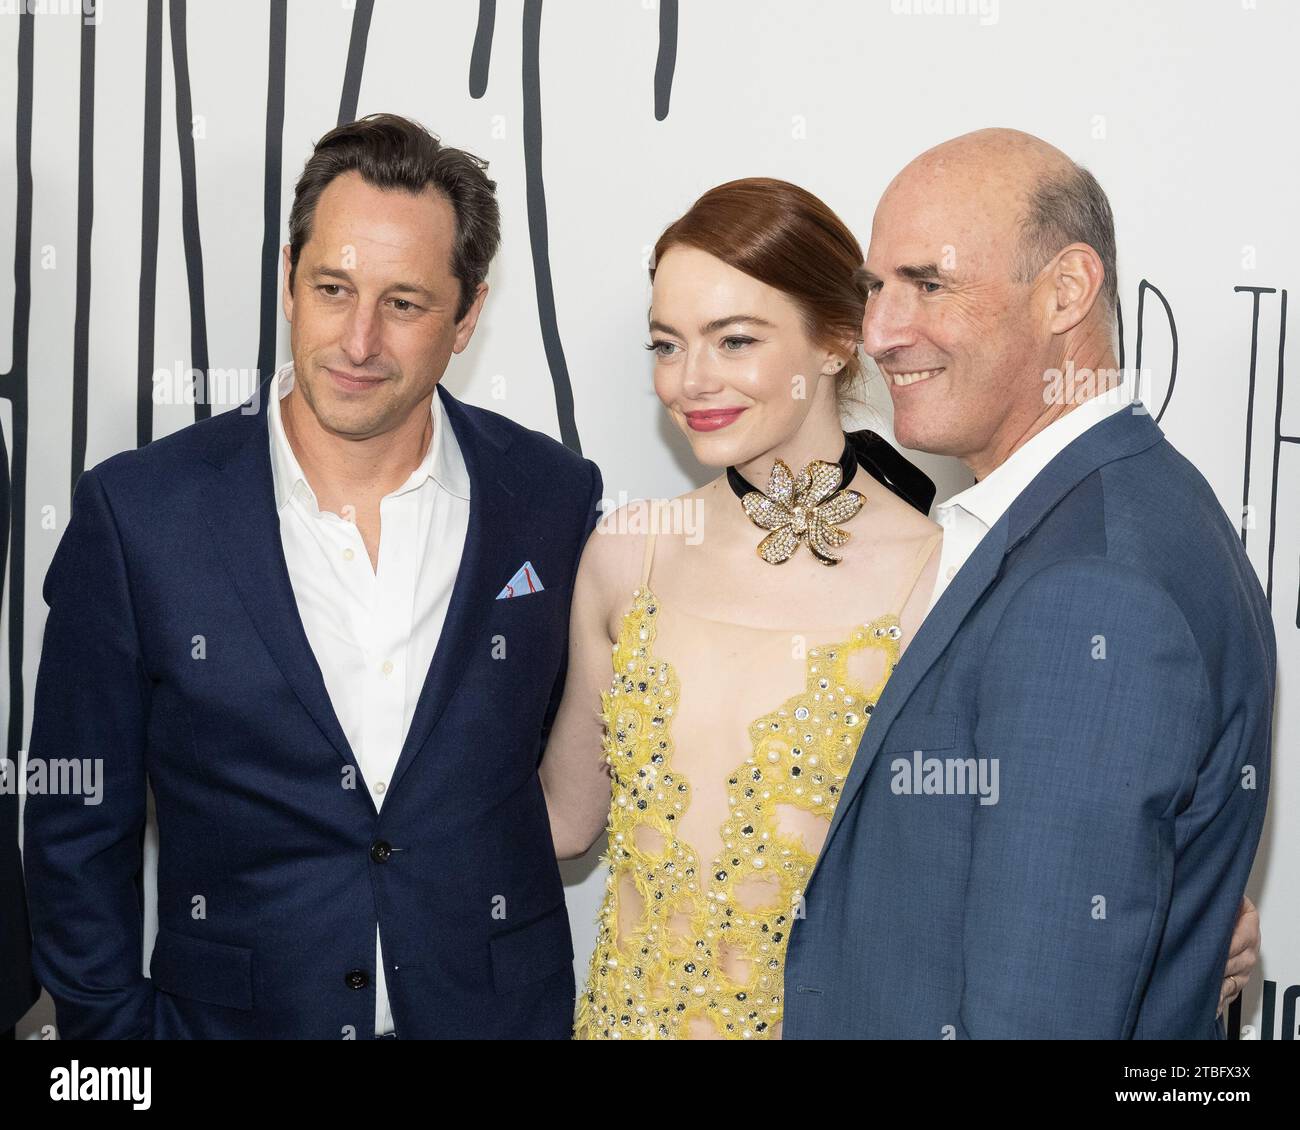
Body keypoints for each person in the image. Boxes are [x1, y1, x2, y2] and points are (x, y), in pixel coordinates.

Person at [22, 114, 600, 1039]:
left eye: (405, 303)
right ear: (289, 279)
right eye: (334, 288)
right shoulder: (140, 515)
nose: (359, 340)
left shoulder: (551, 498)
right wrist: (114, 1035)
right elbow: (76, 818)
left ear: (469, 315)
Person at [780, 129, 1274, 1039]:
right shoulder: (1115, 504)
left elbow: (1043, 1007)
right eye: (874, 289)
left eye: (929, 283)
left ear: (1067, 291)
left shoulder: (1094, 584)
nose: (881, 333)